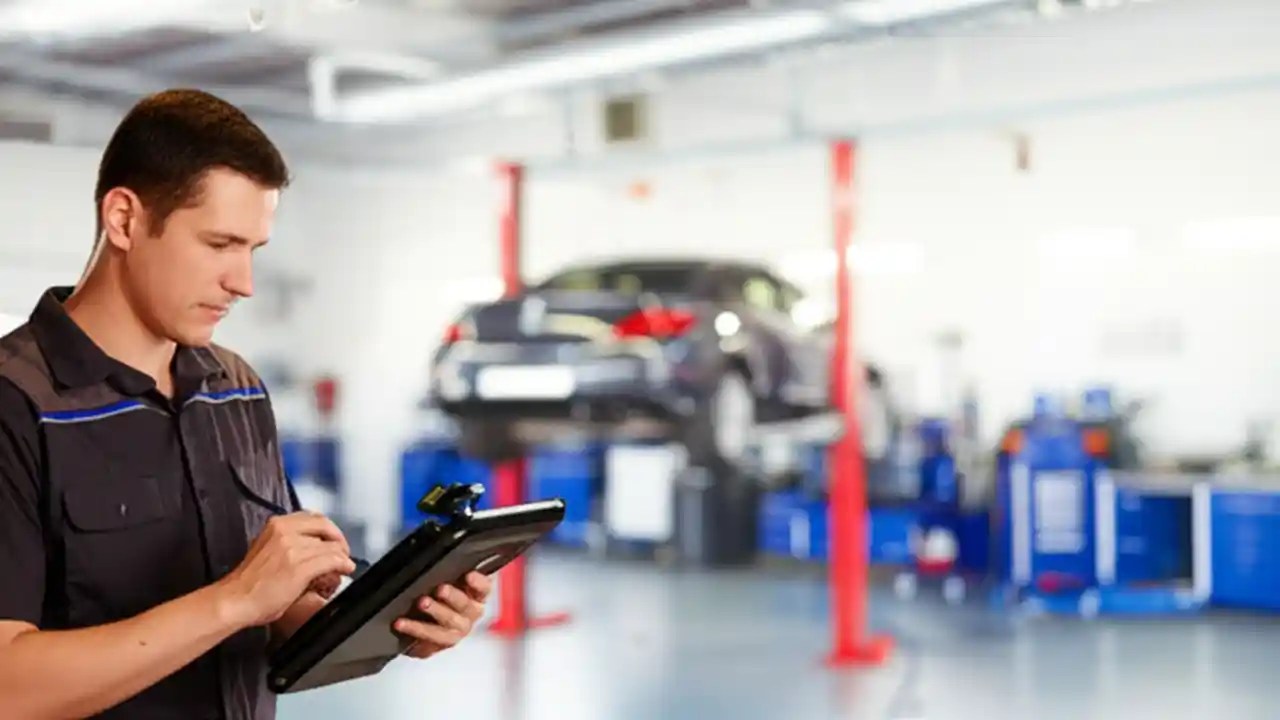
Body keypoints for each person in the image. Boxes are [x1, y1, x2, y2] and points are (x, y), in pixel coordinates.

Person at [0, 88, 492, 719]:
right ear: (124, 220)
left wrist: (397, 621)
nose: (244, 283)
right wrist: (233, 600)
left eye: (252, 250)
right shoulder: (16, 404)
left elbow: (279, 611)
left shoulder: (234, 388)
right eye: (219, 244)